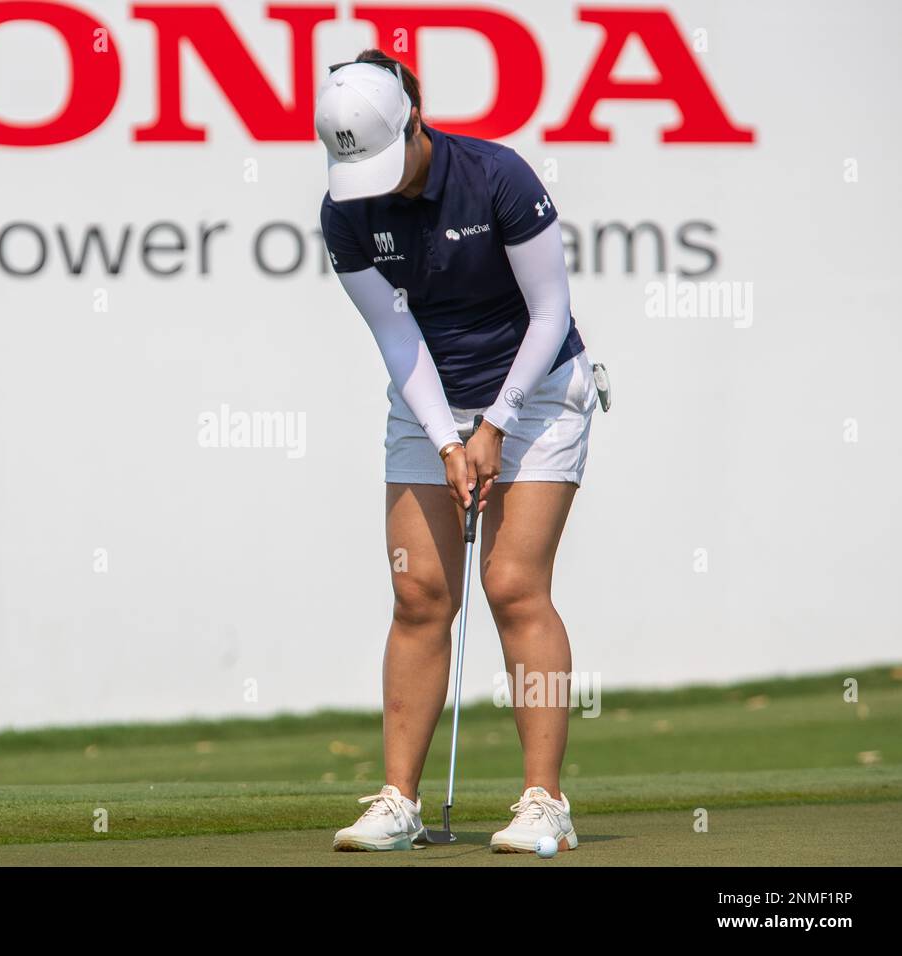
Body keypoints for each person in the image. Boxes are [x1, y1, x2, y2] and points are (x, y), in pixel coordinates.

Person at [317, 51, 596, 852]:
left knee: (512, 585)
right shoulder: (345, 212)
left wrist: (495, 425)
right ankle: (398, 802)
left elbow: (550, 311)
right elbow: (394, 332)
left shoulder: (497, 177)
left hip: (537, 394)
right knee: (419, 594)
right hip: (429, 400)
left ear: (414, 123)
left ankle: (545, 802)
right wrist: (447, 438)